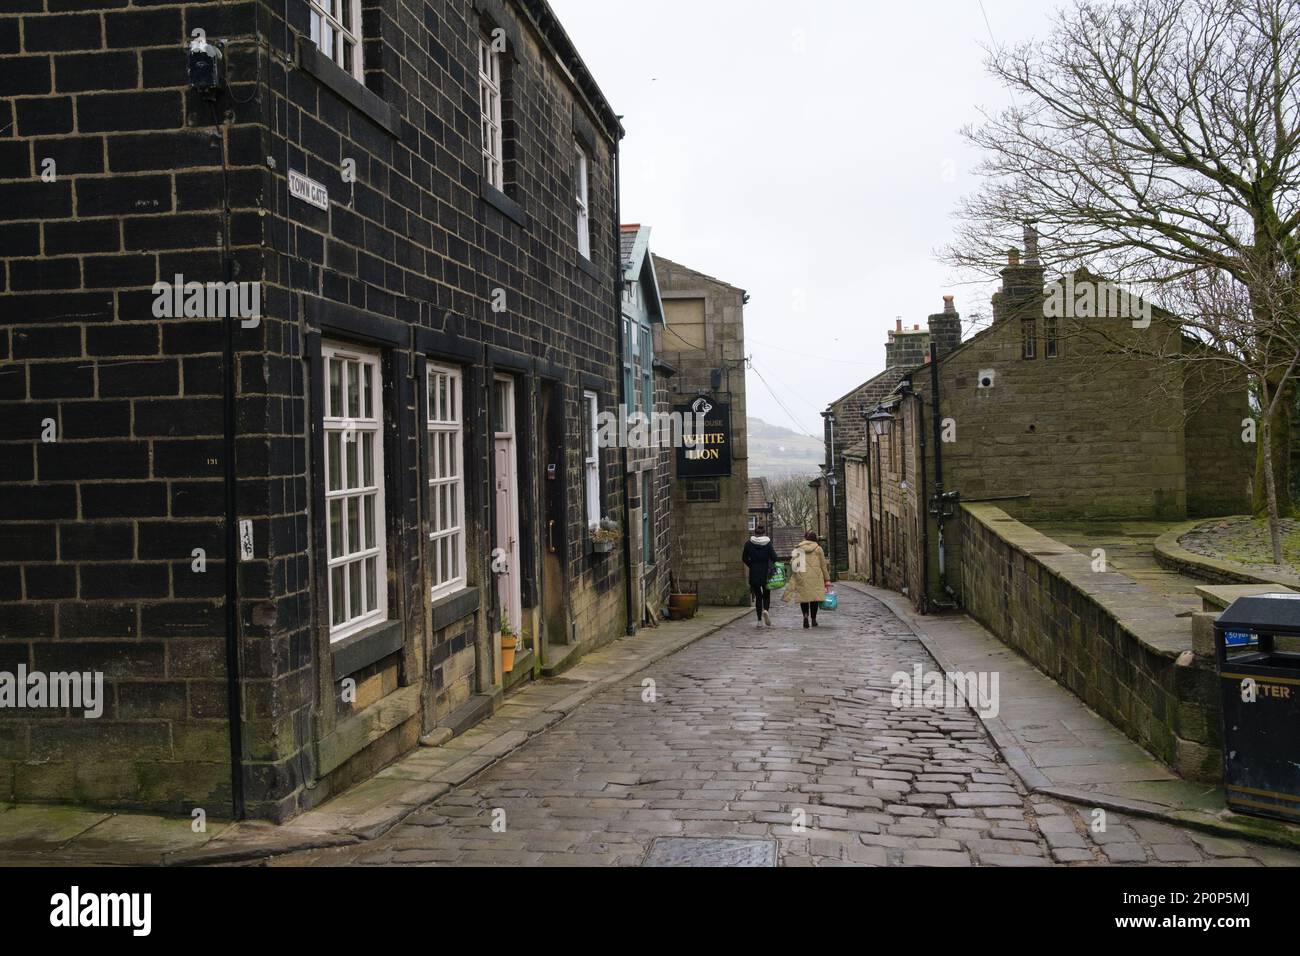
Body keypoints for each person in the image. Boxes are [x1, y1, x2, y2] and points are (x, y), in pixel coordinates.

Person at [785, 531, 831, 629]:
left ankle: (805, 616)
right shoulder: (818, 549)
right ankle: (813, 619)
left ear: (805, 539)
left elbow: (793, 564)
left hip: (802, 576)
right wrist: (827, 579)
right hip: (816, 577)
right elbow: (823, 565)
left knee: (804, 598)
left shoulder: (799, 548)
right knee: (814, 599)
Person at [742, 524, 781, 627]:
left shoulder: (749, 543)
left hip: (754, 572)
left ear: (755, 533)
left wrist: (751, 565)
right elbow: (774, 558)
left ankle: (759, 620)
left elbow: (744, 558)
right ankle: (766, 610)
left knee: (758, 596)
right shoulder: (768, 543)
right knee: (766, 594)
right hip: (766, 572)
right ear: (764, 533)